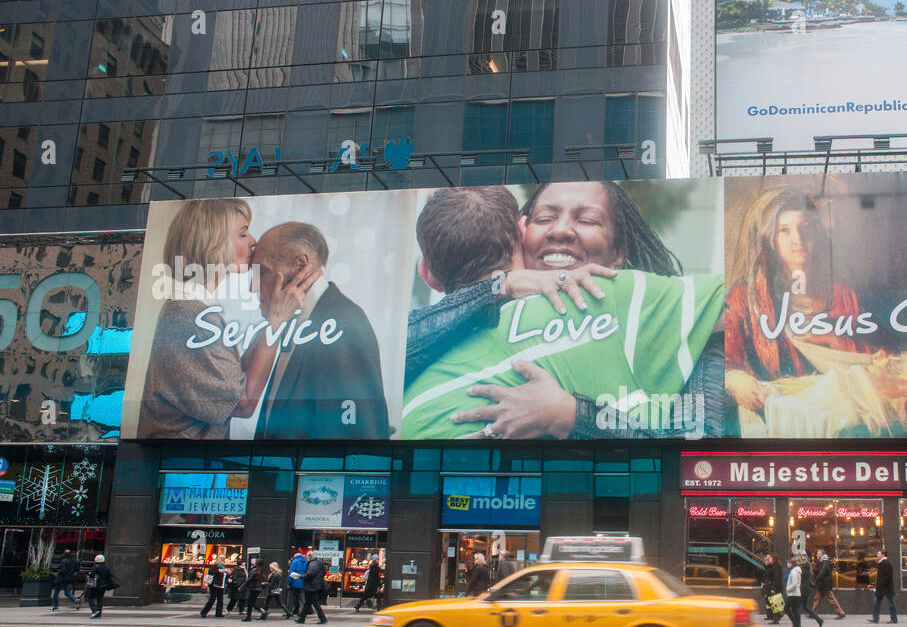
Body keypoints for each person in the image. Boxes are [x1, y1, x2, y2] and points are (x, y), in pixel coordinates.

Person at [403, 182, 725, 440]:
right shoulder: (429, 344)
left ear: (618, 255)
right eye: (544, 219)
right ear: (522, 233)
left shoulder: (628, 303)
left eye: (587, 220)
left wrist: (572, 415)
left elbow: (699, 460)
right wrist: (500, 285)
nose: (560, 230)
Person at [137, 198, 318, 438]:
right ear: (212, 242)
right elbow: (241, 403)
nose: (254, 242)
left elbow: (231, 384)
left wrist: (271, 320)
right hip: (180, 467)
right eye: (243, 234)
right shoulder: (188, 316)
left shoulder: (194, 309)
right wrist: (276, 320)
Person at [724, 187, 864, 413]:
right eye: (784, 231)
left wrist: (842, 345)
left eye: (804, 228)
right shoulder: (743, 298)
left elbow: (876, 365)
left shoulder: (842, 295)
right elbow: (724, 362)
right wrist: (734, 380)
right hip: (775, 420)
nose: (797, 240)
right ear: (768, 239)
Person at [253, 222, 390, 439]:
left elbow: (358, 434)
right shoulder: (296, 321)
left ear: (301, 264)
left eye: (262, 272)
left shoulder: (343, 324)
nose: (253, 286)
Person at [811, 549, 848, 619]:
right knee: (817, 598)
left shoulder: (825, 562)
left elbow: (822, 573)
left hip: (825, 585)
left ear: (821, 554)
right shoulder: (822, 562)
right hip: (822, 584)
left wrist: (816, 580)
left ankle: (841, 612)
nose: (816, 555)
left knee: (831, 599)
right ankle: (813, 613)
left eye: (818, 554)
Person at [296, 550, 328, 624]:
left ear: (309, 557)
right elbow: (323, 572)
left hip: (312, 586)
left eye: (307, 557)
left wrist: (300, 576)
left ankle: (322, 619)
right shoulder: (318, 563)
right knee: (307, 603)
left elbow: (310, 574)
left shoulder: (313, 564)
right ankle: (301, 618)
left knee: (315, 604)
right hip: (315, 585)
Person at [871, 548, 898, 623]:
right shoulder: (881, 563)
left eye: (879, 554)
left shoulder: (885, 563)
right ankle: (875, 618)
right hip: (882, 587)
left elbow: (888, 575)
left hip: (886, 588)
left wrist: (881, 584)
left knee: (890, 603)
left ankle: (894, 619)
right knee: (877, 602)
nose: (877, 555)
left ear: (883, 555)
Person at [84, 554, 113, 620]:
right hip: (104, 585)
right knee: (100, 599)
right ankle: (99, 613)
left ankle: (94, 611)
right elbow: (108, 576)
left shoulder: (96, 566)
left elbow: (91, 575)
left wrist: (89, 574)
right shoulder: (106, 567)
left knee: (91, 598)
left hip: (96, 585)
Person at [797, 555, 823, 626]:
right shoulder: (808, 567)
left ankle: (797, 625)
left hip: (802, 589)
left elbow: (800, 579)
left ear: (800, 561)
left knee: (797, 607)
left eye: (797, 562)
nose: (797, 564)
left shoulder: (801, 568)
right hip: (807, 589)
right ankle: (819, 620)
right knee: (805, 607)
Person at [760, 552, 785, 624]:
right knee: (771, 601)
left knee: (774, 602)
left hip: (774, 587)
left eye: (770, 558)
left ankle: (777, 617)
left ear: (773, 559)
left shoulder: (776, 567)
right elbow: (768, 571)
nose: (769, 559)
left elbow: (776, 578)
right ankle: (778, 615)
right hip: (771, 586)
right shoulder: (773, 566)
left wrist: (774, 588)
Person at [784, 555, 804, 627]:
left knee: (789, 609)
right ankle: (796, 626)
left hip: (793, 594)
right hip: (794, 594)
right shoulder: (795, 571)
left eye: (788, 563)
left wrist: (788, 589)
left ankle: (796, 626)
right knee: (793, 610)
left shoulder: (794, 572)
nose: (787, 564)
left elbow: (795, 583)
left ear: (791, 564)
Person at [286, 548, 308, 617]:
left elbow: (291, 573)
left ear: (295, 555)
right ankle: (303, 613)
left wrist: (288, 583)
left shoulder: (294, 561)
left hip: (294, 582)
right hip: (303, 582)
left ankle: (289, 612)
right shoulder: (305, 562)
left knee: (291, 599)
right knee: (302, 599)